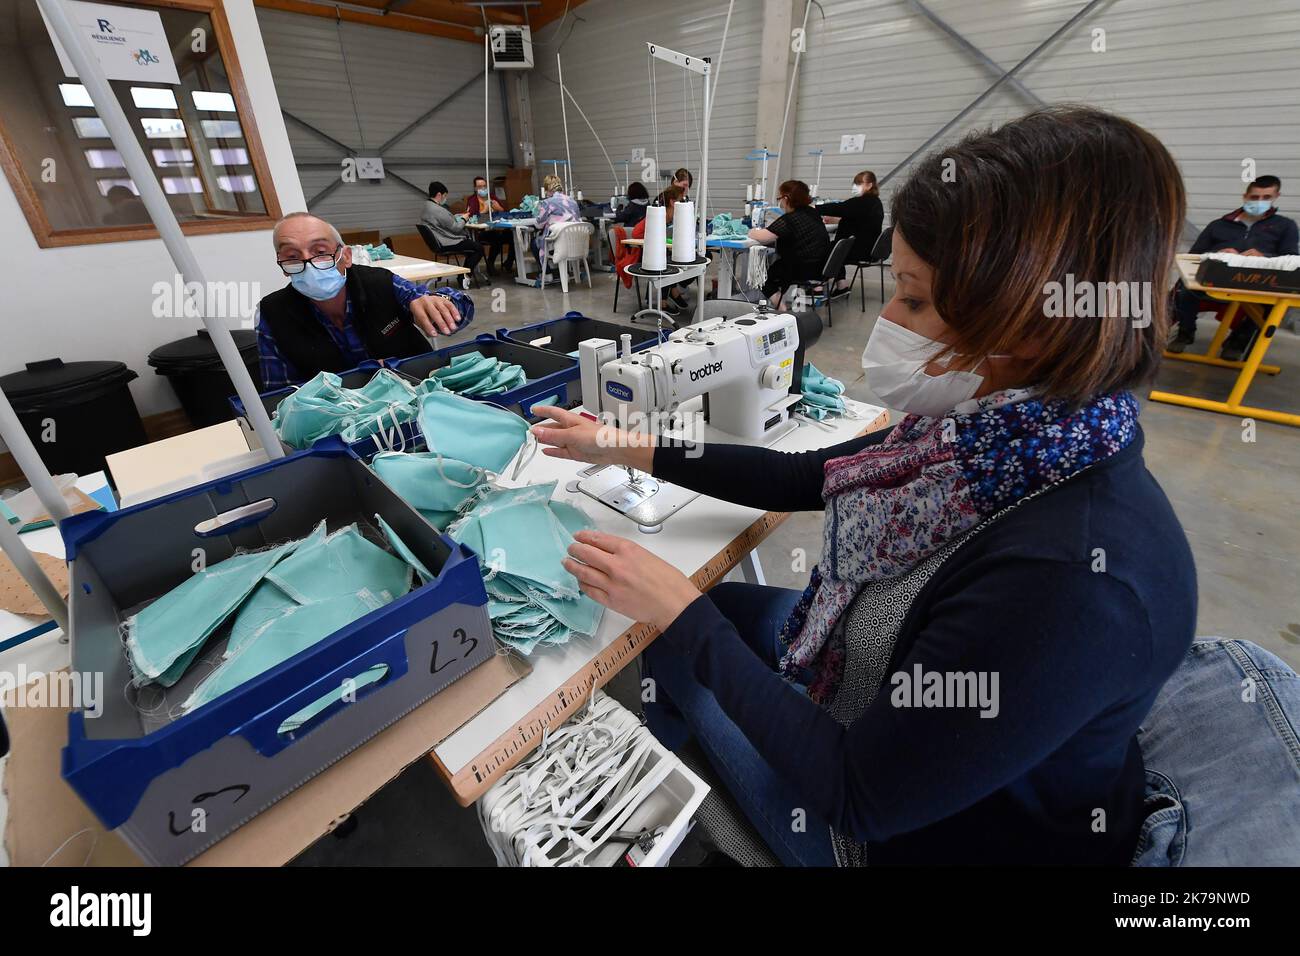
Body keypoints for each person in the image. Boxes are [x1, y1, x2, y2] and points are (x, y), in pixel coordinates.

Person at [530, 106, 1196, 866]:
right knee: (690, 614)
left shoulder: (1072, 583)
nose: (892, 321)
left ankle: (680, 833)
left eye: (912, 299)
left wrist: (680, 612)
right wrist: (624, 442)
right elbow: (802, 473)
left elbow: (858, 795)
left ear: (1028, 326)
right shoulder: (999, 436)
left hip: (907, 834)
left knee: (674, 636)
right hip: (870, 675)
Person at [256, 213, 472, 391]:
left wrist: (438, 302)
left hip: (419, 394)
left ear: (346, 256)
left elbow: (461, 307)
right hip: (341, 421)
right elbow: (281, 396)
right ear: (283, 266)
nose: (308, 263)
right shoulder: (273, 314)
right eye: (292, 256)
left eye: (320, 252)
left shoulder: (380, 283)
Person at [1169, 175, 1298, 358]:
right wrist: (1218, 253)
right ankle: (1185, 332)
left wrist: (1265, 258)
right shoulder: (1219, 225)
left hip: (1258, 282)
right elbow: (1193, 255)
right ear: (1245, 196)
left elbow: (1292, 259)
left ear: (1276, 196)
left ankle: (1238, 340)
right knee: (1184, 288)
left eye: (1266, 197)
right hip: (1216, 276)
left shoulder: (1285, 227)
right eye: (1254, 197)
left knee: (1269, 305)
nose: (1259, 202)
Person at [749, 179, 832, 307]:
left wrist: (752, 231)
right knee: (776, 267)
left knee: (761, 276)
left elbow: (764, 237)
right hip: (821, 266)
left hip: (801, 269)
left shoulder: (790, 219)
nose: (780, 202)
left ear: (786, 198)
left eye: (780, 198)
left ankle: (782, 310)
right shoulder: (813, 213)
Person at [819, 169, 885, 294]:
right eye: (855, 183)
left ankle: (817, 286)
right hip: (868, 248)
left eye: (859, 183)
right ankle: (841, 285)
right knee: (837, 247)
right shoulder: (874, 202)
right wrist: (838, 220)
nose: (855, 187)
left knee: (827, 249)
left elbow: (839, 207)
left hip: (859, 249)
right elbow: (860, 221)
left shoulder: (862, 202)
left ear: (870, 185)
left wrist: (814, 208)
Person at [421, 181, 484, 277]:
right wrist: (464, 218)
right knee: (478, 248)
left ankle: (464, 274)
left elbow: (444, 222)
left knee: (472, 246)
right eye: (445, 196)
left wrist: (455, 217)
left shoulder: (426, 207)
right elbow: (456, 228)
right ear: (439, 194)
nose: (445, 198)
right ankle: (464, 276)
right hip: (448, 243)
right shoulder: (438, 210)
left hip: (438, 242)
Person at [463, 175, 513, 275]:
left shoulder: (492, 197)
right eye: (480, 186)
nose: (483, 188)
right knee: (497, 238)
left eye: (484, 186)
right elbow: (472, 217)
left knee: (514, 236)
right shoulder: (472, 200)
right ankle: (490, 263)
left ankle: (509, 262)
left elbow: (504, 212)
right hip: (481, 232)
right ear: (475, 188)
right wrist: (485, 210)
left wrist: (499, 208)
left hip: (497, 228)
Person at [533, 173, 580, 272]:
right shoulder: (573, 201)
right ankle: (564, 271)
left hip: (558, 242)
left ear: (548, 190)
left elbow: (539, 224)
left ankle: (547, 273)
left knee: (534, 243)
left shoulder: (548, 202)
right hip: (575, 241)